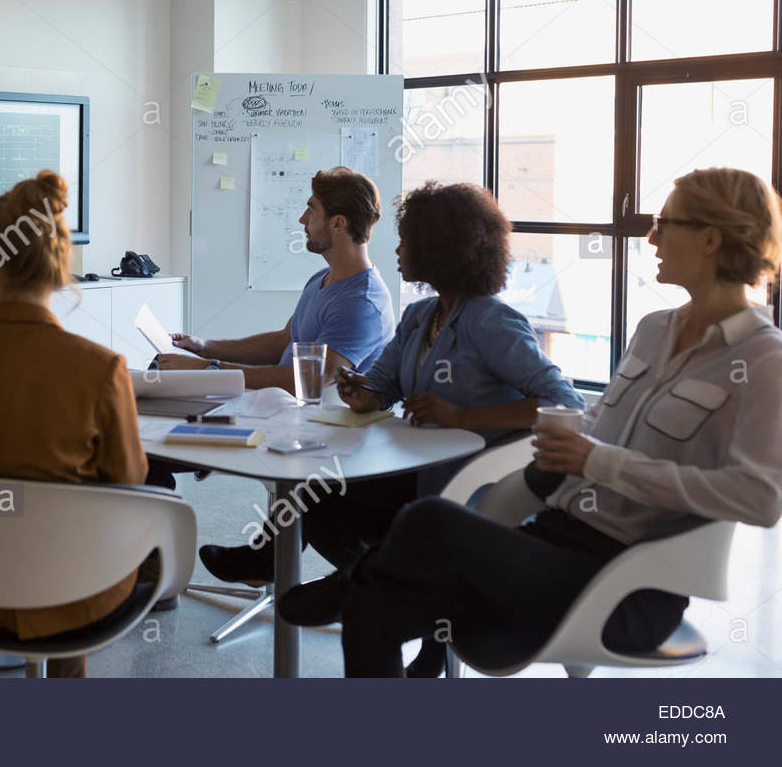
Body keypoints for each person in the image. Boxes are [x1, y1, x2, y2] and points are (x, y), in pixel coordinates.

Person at [335, 167, 782, 677]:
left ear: (710, 238)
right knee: (370, 606)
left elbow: (760, 498)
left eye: (664, 222)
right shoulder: (655, 329)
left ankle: (340, 585)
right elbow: (597, 420)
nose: (651, 236)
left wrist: (600, 461)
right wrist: (569, 430)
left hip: (626, 579)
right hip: (552, 539)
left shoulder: (762, 359)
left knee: (427, 519)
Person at [202, 183, 582, 675]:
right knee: (316, 494)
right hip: (419, 474)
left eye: (408, 240)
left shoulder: (491, 321)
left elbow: (564, 402)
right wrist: (366, 393)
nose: (398, 250)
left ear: (439, 247)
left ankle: (375, 588)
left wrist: (462, 417)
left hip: (469, 489)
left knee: (336, 501)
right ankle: (387, 589)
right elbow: (382, 382)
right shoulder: (420, 316)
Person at [0, 170, 149, 679]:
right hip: (74, 592)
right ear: (61, 260)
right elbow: (130, 485)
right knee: (88, 545)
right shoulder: (102, 369)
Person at [157, 166, 395, 392]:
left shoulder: (362, 304)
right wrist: (204, 348)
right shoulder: (322, 278)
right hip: (281, 408)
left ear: (337, 223)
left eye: (311, 210)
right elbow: (284, 341)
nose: (302, 219)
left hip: (320, 425)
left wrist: (207, 370)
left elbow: (309, 381)